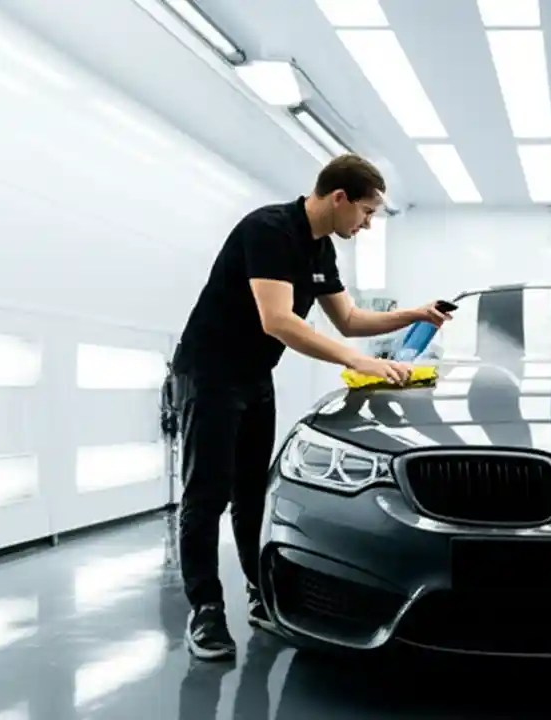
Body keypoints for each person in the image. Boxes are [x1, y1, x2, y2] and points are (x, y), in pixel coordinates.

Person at [169, 153, 450, 660]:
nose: (366, 224)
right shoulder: (269, 230)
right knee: (206, 493)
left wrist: (414, 314)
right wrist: (356, 363)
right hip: (209, 373)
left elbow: (348, 320)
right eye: (365, 213)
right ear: (338, 198)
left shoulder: (320, 250)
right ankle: (206, 610)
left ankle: (260, 597)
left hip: (254, 377)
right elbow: (277, 320)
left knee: (252, 492)